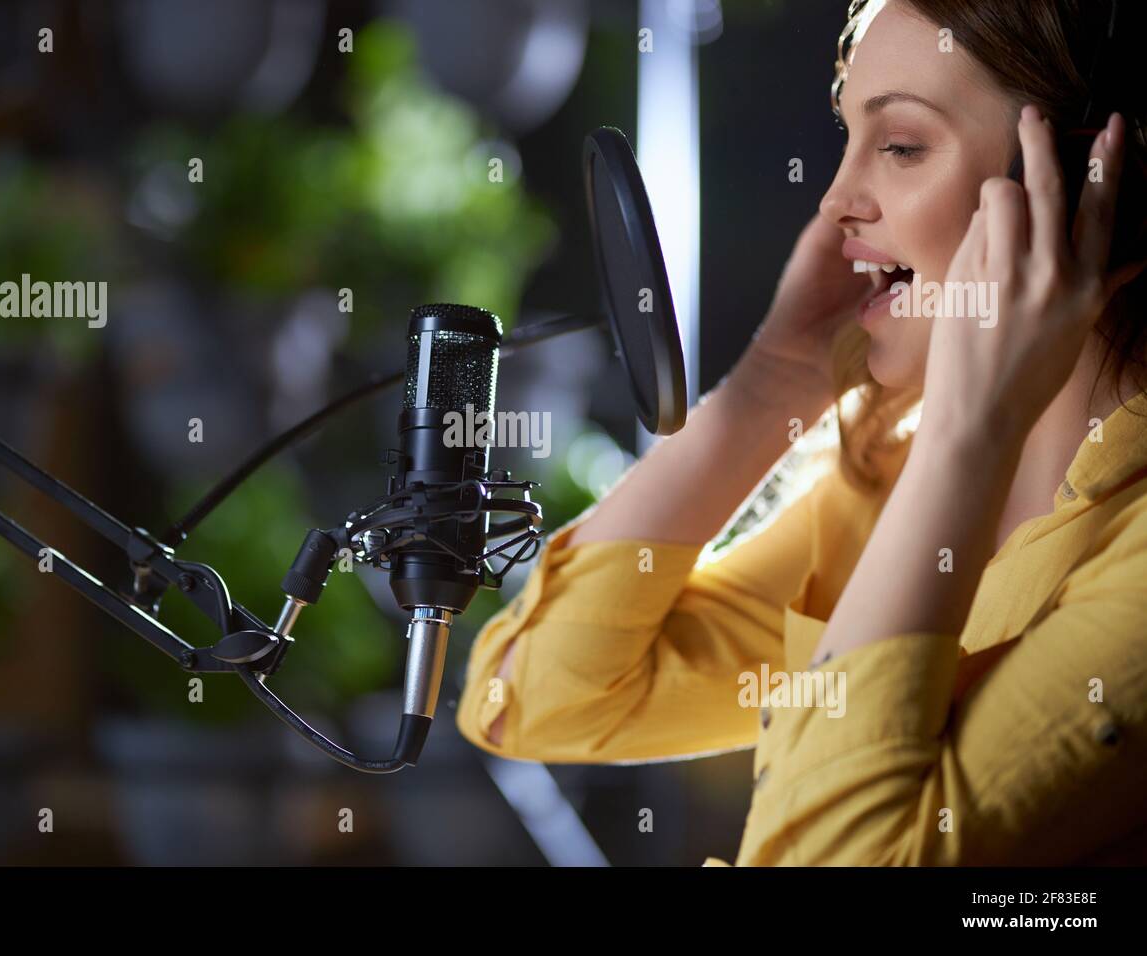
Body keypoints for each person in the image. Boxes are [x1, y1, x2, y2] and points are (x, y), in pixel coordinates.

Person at [455, 0, 1147, 865]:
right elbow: (532, 698)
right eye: (847, 137)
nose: (835, 199)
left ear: (1082, 180)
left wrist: (966, 440)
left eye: (899, 145)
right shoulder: (883, 474)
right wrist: (774, 379)